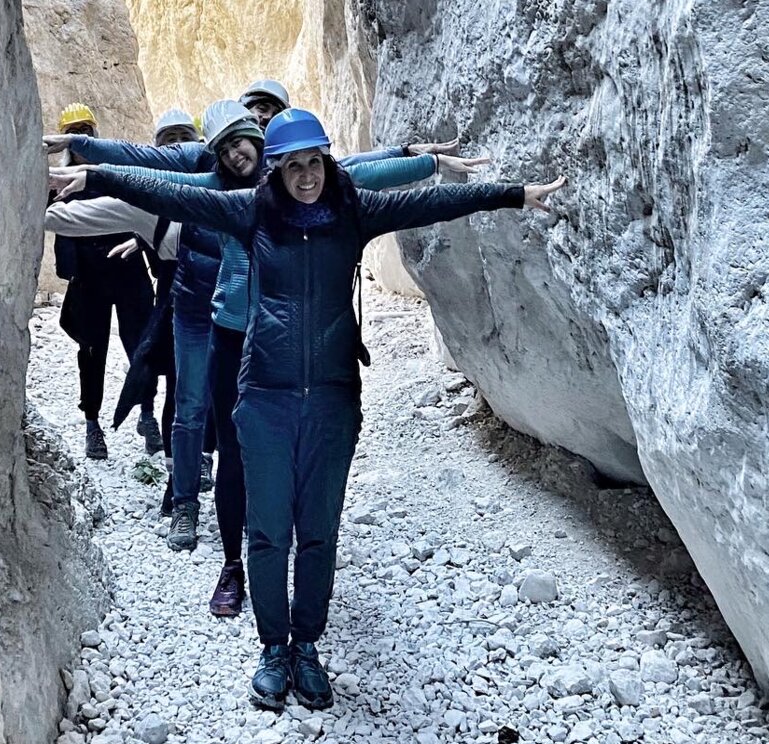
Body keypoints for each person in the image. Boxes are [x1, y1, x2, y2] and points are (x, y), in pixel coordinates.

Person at [51, 108, 566, 711]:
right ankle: (273, 648)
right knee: (267, 534)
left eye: (313, 162)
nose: (305, 177)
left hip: (332, 399)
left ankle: (306, 646)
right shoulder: (251, 211)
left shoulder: (356, 211)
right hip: (264, 398)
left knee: (318, 533)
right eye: (292, 165)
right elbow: (169, 190)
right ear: (276, 168)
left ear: (325, 159)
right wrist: (98, 175)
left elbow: (434, 204)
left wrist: (515, 194)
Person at [48, 100, 482, 619]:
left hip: (270, 344)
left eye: (246, 139)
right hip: (220, 327)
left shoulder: (291, 186)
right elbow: (144, 171)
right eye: (226, 144)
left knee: (275, 456)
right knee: (218, 443)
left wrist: (423, 161)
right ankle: (226, 555)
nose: (236, 153)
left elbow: (359, 171)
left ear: (264, 144)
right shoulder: (215, 189)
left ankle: (283, 565)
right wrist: (89, 164)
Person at [51, 103, 161, 459]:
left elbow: (150, 213)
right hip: (88, 278)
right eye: (73, 131)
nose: (79, 137)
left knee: (143, 347)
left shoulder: (114, 173)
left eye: (84, 130)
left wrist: (141, 242)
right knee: (91, 351)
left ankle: (147, 414)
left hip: (129, 270)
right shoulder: (58, 180)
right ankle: (92, 424)